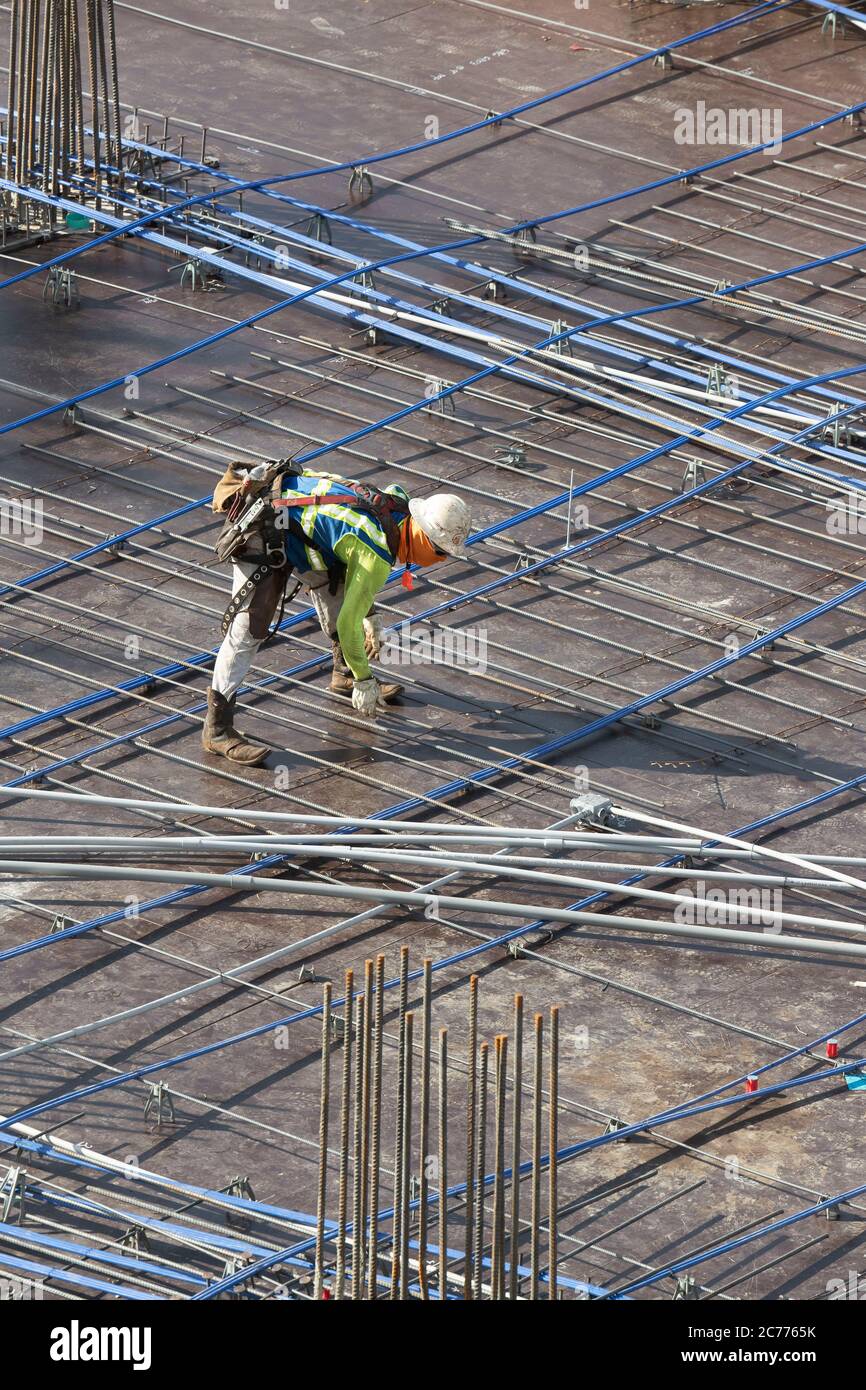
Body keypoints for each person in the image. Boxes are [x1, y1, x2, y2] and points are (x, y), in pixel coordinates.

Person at [202, 461, 472, 765]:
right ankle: (217, 730)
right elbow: (348, 622)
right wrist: (365, 679)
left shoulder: (398, 503)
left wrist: (371, 616)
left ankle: (342, 673)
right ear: (422, 534)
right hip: (265, 528)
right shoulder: (375, 557)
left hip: (301, 528)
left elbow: (353, 555)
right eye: (440, 552)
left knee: (335, 584)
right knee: (247, 632)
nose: (440, 561)